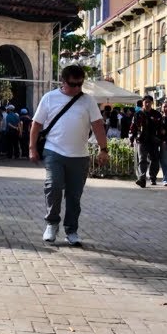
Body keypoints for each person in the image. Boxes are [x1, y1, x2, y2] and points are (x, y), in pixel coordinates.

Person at [28, 65, 107, 246]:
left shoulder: (88, 101)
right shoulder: (49, 98)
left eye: (80, 84)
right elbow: (36, 125)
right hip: (54, 151)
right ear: (63, 82)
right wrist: (32, 148)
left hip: (80, 156)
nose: (77, 88)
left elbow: (98, 126)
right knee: (53, 186)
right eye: (73, 84)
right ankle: (51, 223)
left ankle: (71, 230)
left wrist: (104, 149)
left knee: (74, 196)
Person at [129, 95, 165, 188]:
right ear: (143, 103)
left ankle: (153, 177)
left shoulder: (157, 114)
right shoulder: (138, 114)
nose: (147, 104)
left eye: (149, 102)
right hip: (142, 140)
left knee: (155, 160)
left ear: (152, 103)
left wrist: (161, 139)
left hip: (154, 141)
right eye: (146, 102)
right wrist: (131, 139)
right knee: (142, 160)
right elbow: (133, 128)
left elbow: (161, 128)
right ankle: (142, 179)